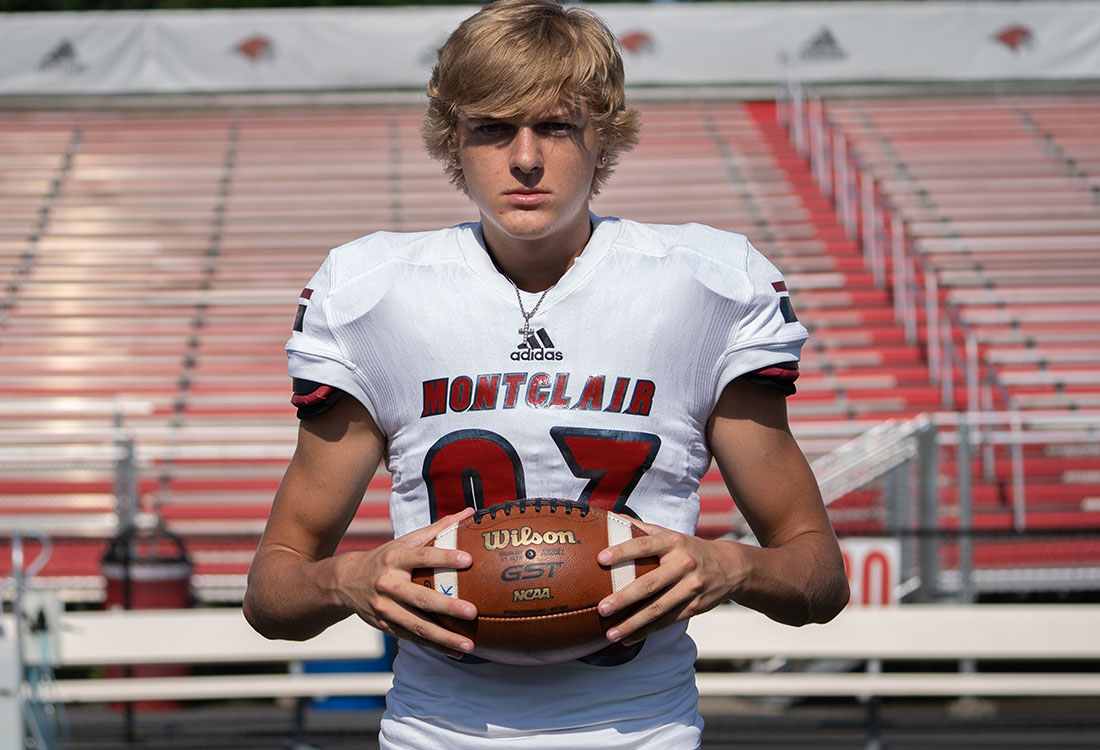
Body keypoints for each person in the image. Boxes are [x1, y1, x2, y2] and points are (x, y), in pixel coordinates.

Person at [243, 1, 849, 747]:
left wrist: (729, 567)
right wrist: (348, 581)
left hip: (642, 729)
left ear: (605, 137)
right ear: (453, 143)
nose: (525, 158)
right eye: (492, 129)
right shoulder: (373, 292)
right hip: (437, 732)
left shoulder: (705, 285)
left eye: (556, 127)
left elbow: (817, 576)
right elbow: (272, 593)